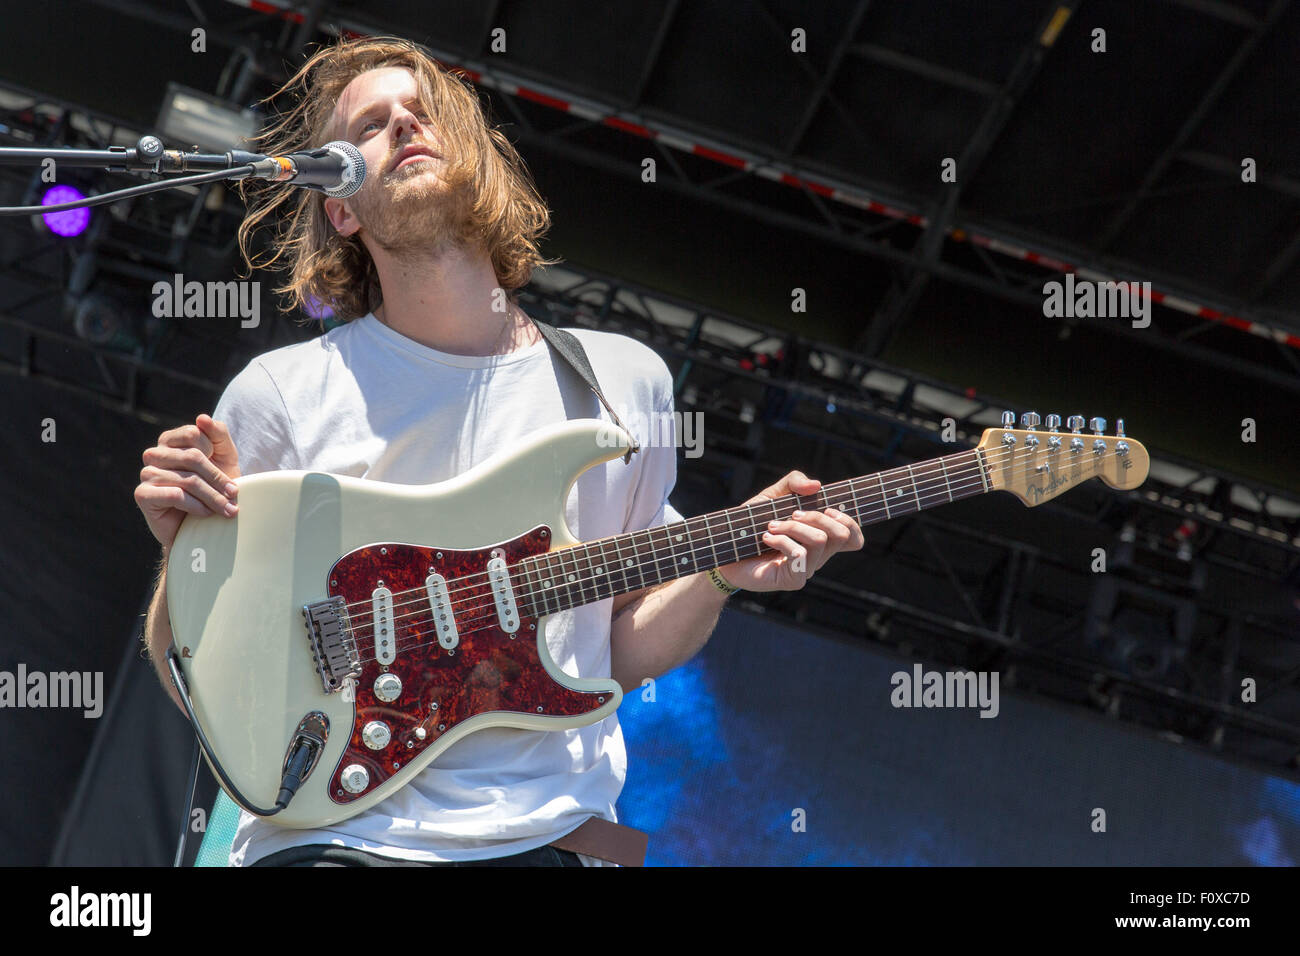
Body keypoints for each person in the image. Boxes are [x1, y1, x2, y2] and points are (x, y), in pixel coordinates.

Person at [133, 36, 863, 866]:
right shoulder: (280, 392)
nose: (405, 123)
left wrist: (724, 570)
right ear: (340, 205)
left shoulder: (626, 383)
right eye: (370, 125)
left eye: (425, 111)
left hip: (552, 833)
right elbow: (199, 682)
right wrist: (182, 562)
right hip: (336, 835)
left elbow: (609, 650)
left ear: (477, 160)